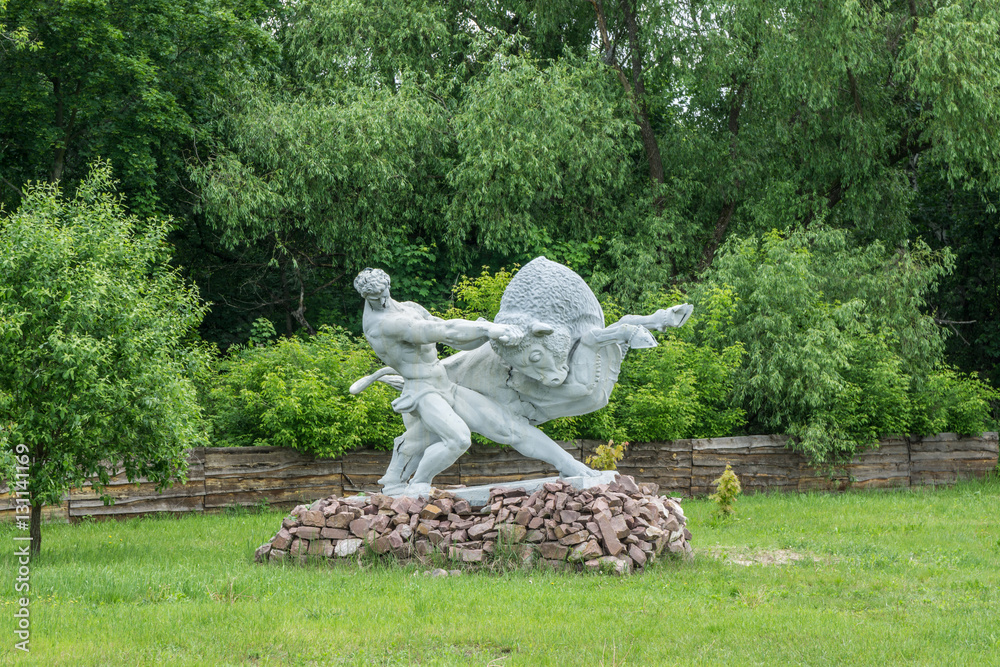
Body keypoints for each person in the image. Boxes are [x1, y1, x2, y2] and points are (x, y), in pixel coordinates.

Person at [353, 268, 524, 496]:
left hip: (444, 382)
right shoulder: (382, 325)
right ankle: (419, 484)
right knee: (459, 439)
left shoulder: (409, 308)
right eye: (375, 298)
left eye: (385, 292)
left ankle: (395, 477)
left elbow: (452, 336)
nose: (383, 300)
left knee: (426, 438)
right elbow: (441, 330)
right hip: (422, 390)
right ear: (365, 297)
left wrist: (483, 334)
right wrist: (486, 328)